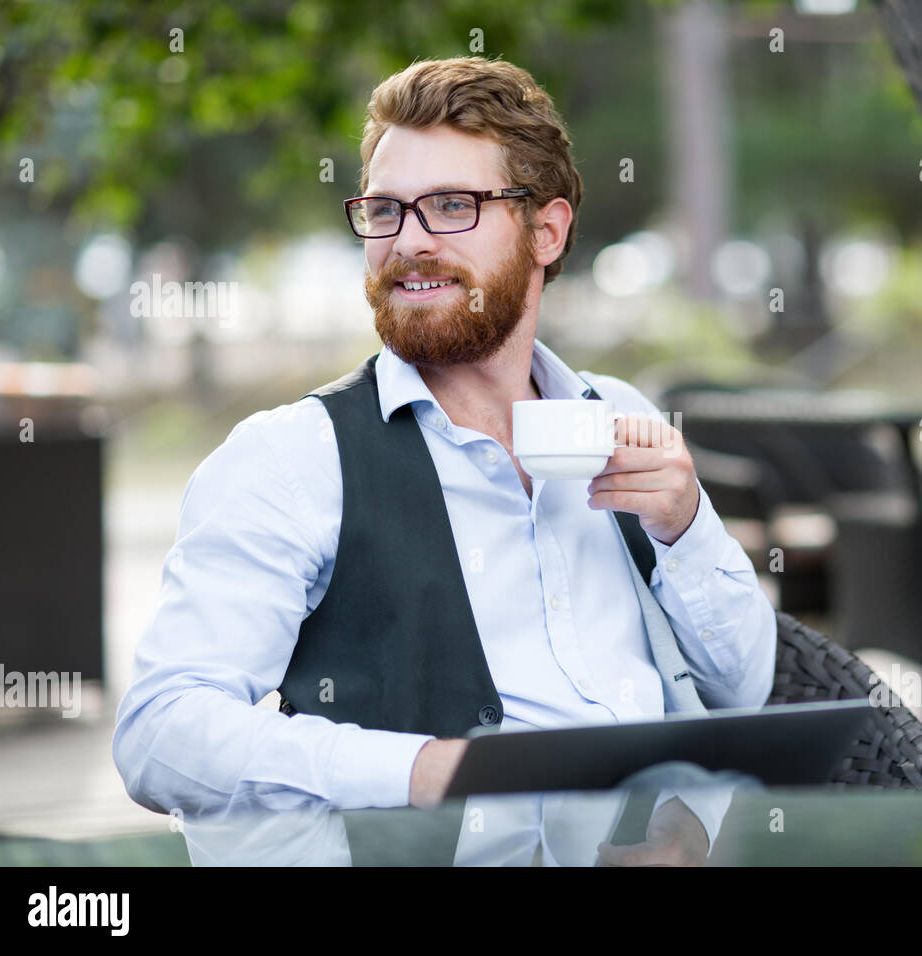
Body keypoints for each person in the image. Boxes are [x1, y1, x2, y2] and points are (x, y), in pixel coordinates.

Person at [112, 55, 777, 866]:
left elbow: (744, 690)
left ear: (548, 230)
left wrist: (686, 528)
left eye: (452, 206)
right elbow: (162, 731)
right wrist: (424, 769)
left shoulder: (619, 421)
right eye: (386, 211)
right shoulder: (295, 457)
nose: (410, 242)